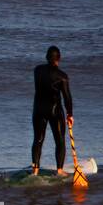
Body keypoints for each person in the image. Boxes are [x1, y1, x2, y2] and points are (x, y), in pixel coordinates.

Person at [31, 46, 73, 175]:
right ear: (59, 58)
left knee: (38, 139)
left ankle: (35, 170)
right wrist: (70, 114)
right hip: (54, 111)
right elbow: (67, 98)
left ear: (46, 57)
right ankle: (59, 170)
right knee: (59, 140)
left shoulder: (37, 70)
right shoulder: (62, 76)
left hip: (38, 109)